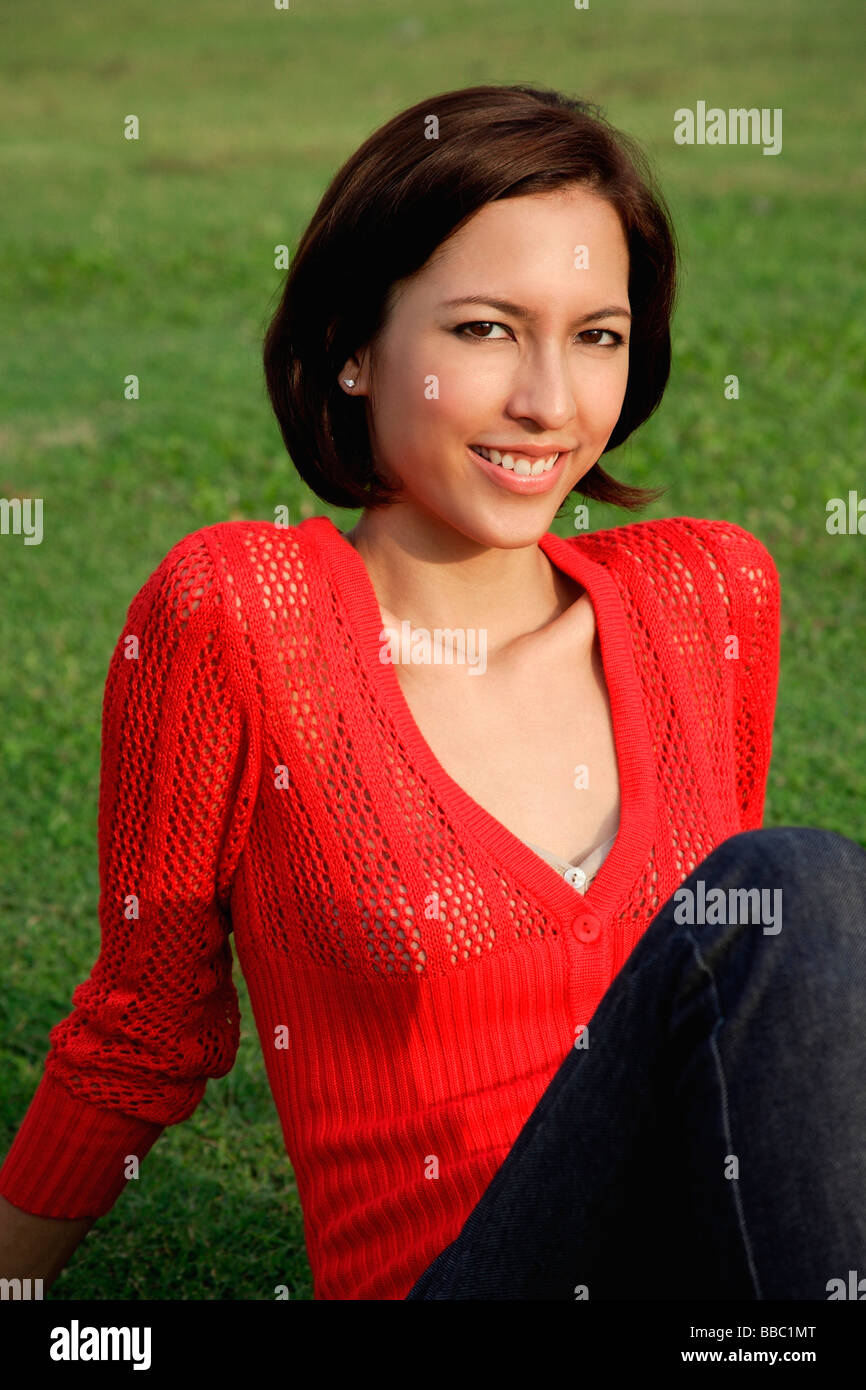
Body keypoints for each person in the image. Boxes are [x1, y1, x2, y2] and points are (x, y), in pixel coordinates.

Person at [1, 84, 864, 1302]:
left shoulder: (703, 596)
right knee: (795, 885)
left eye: (597, 336)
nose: (548, 403)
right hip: (456, 1275)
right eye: (484, 330)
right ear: (355, 344)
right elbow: (142, 1035)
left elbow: (760, 1039)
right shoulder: (244, 616)